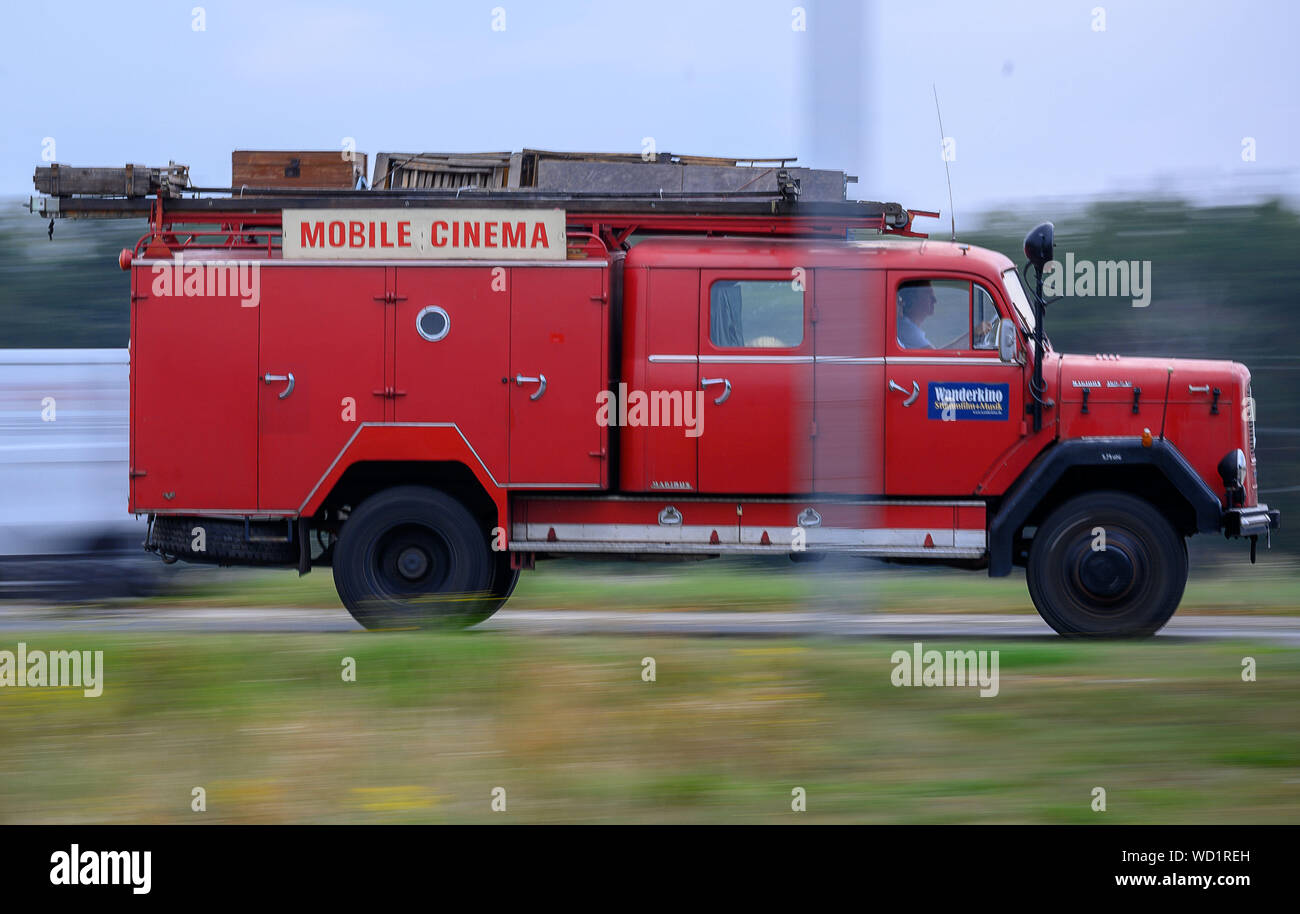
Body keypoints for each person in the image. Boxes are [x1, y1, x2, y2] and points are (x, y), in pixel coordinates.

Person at [896, 283, 937, 349]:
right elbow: (934, 355)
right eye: (928, 294)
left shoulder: (905, 326)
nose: (935, 300)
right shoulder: (904, 328)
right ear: (911, 299)